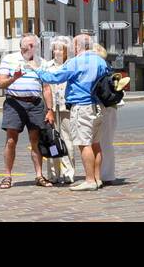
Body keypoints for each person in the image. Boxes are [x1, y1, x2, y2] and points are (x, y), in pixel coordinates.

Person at [32, 34, 109, 191]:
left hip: (82, 106)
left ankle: (89, 180)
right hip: (98, 106)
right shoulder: (100, 61)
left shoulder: (76, 62)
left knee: (84, 144)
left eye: (74, 45)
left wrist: (37, 71)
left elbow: (55, 77)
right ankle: (97, 178)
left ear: (78, 46)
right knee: (96, 144)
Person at [0, 34, 51, 189]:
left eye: (34, 45)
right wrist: (14, 78)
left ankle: (39, 175)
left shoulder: (42, 63)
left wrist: (50, 110)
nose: (31, 48)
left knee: (35, 140)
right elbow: (1, 83)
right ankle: (7, 176)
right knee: (11, 140)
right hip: (14, 102)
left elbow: (46, 88)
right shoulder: (9, 59)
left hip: (35, 103)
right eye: (28, 45)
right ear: (22, 47)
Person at [41, 37, 77, 185]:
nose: (57, 51)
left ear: (67, 51)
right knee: (52, 140)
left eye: (60, 48)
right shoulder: (47, 66)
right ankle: (54, 173)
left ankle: (69, 172)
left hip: (66, 106)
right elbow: (45, 87)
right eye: (55, 48)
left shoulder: (72, 65)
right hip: (51, 107)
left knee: (67, 139)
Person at [93, 43, 130, 185]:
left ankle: (105, 175)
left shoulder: (101, 68)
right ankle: (103, 173)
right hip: (110, 107)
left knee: (103, 142)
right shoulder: (107, 67)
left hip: (105, 107)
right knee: (105, 141)